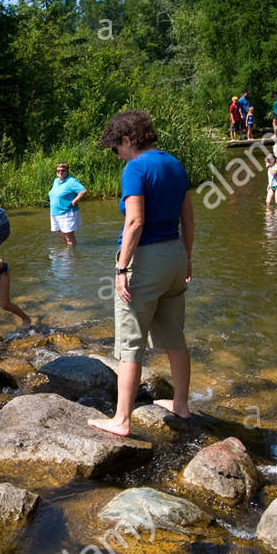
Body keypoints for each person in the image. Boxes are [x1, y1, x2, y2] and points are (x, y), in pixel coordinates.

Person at [89, 109, 193, 437]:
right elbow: (188, 219)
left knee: (131, 341)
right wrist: (186, 259)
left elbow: (134, 221)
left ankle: (121, 420)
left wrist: (121, 269)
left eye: (116, 149)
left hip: (145, 260)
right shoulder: (175, 164)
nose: (117, 156)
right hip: (175, 254)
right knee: (174, 334)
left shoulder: (135, 168)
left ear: (128, 140)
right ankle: (181, 405)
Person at [48, 162, 87, 245]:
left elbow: (83, 191)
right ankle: (67, 254)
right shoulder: (56, 181)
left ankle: (73, 255)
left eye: (63, 170)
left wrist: (75, 201)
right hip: (55, 213)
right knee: (61, 235)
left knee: (69, 237)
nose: (60, 172)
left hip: (67, 213)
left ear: (67, 171)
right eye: (58, 171)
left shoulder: (71, 181)